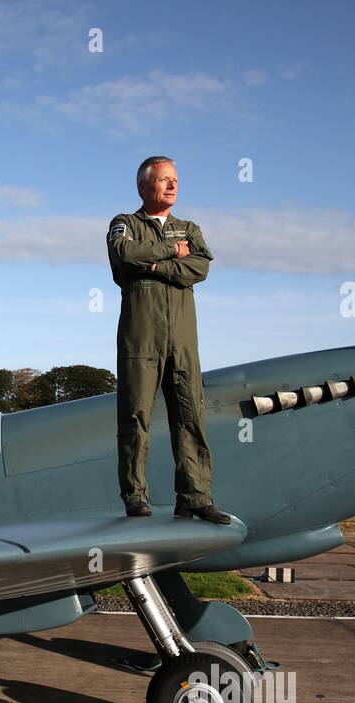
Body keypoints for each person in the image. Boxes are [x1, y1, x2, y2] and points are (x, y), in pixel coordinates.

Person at [106, 156, 230, 524]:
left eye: (175, 179)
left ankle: (194, 496)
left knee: (190, 414)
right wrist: (171, 252)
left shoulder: (188, 227)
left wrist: (156, 266)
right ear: (144, 187)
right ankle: (134, 496)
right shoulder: (124, 223)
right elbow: (125, 254)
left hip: (183, 339)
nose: (173, 186)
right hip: (140, 338)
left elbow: (201, 266)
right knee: (135, 415)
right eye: (164, 180)